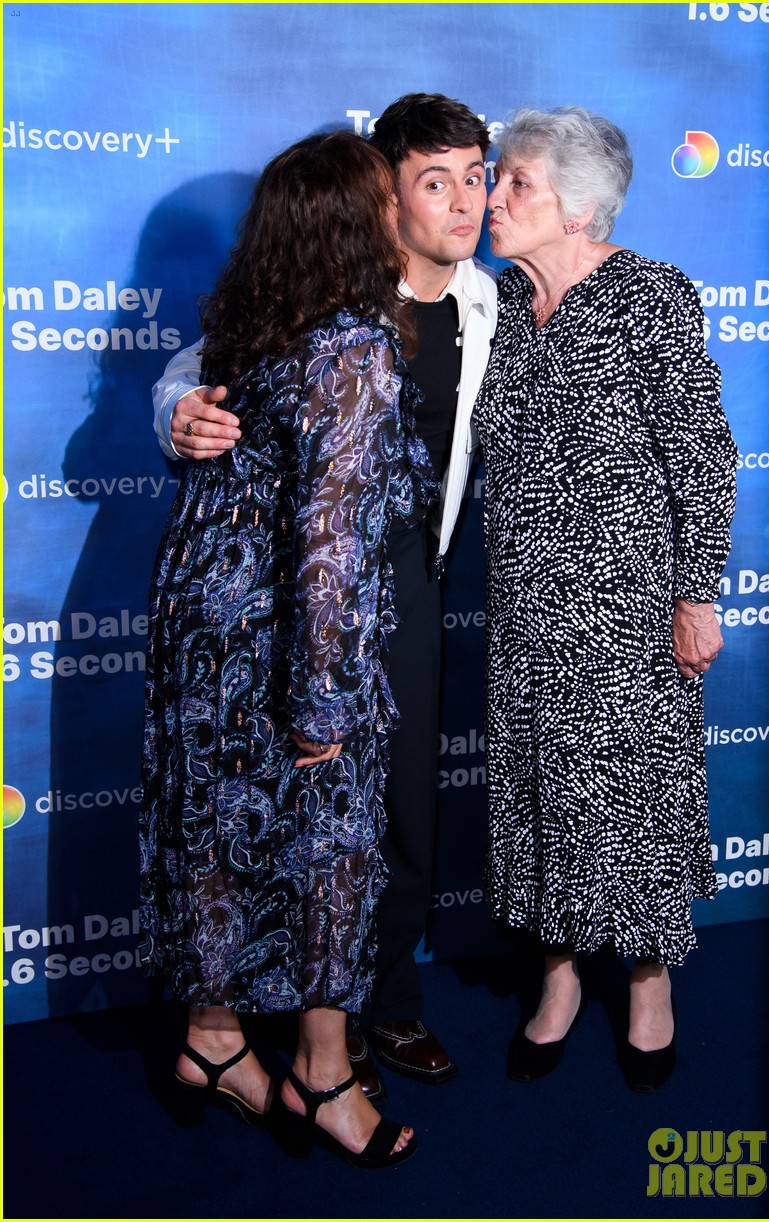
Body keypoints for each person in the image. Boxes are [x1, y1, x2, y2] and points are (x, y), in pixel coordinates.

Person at [151, 94, 498, 1094]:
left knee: (398, 807)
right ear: (386, 197)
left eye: (476, 177)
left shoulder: (492, 304)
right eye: (435, 181)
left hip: (405, 578)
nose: (464, 201)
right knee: (304, 804)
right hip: (301, 583)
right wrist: (175, 409)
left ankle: (379, 1002)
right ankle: (311, 1034)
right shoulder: (330, 291)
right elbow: (203, 367)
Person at [473, 107, 738, 1092]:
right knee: (537, 789)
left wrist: (695, 595)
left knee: (637, 793)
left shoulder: (649, 295)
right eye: (497, 177)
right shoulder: (497, 302)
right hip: (522, 605)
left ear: (579, 209)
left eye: (517, 182)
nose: (493, 198)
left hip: (627, 607)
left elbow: (702, 457)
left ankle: (647, 980)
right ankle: (555, 976)